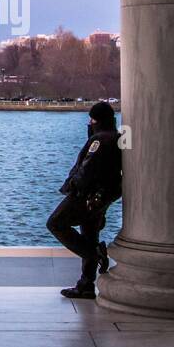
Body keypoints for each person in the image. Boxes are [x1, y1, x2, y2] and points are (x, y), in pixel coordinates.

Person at [48, 101, 123, 299]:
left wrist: (71, 186)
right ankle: (86, 284)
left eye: (91, 119)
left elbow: (87, 170)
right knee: (90, 233)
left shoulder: (99, 140)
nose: (89, 123)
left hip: (87, 195)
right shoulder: (116, 138)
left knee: (56, 224)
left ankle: (95, 254)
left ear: (95, 120)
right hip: (102, 197)